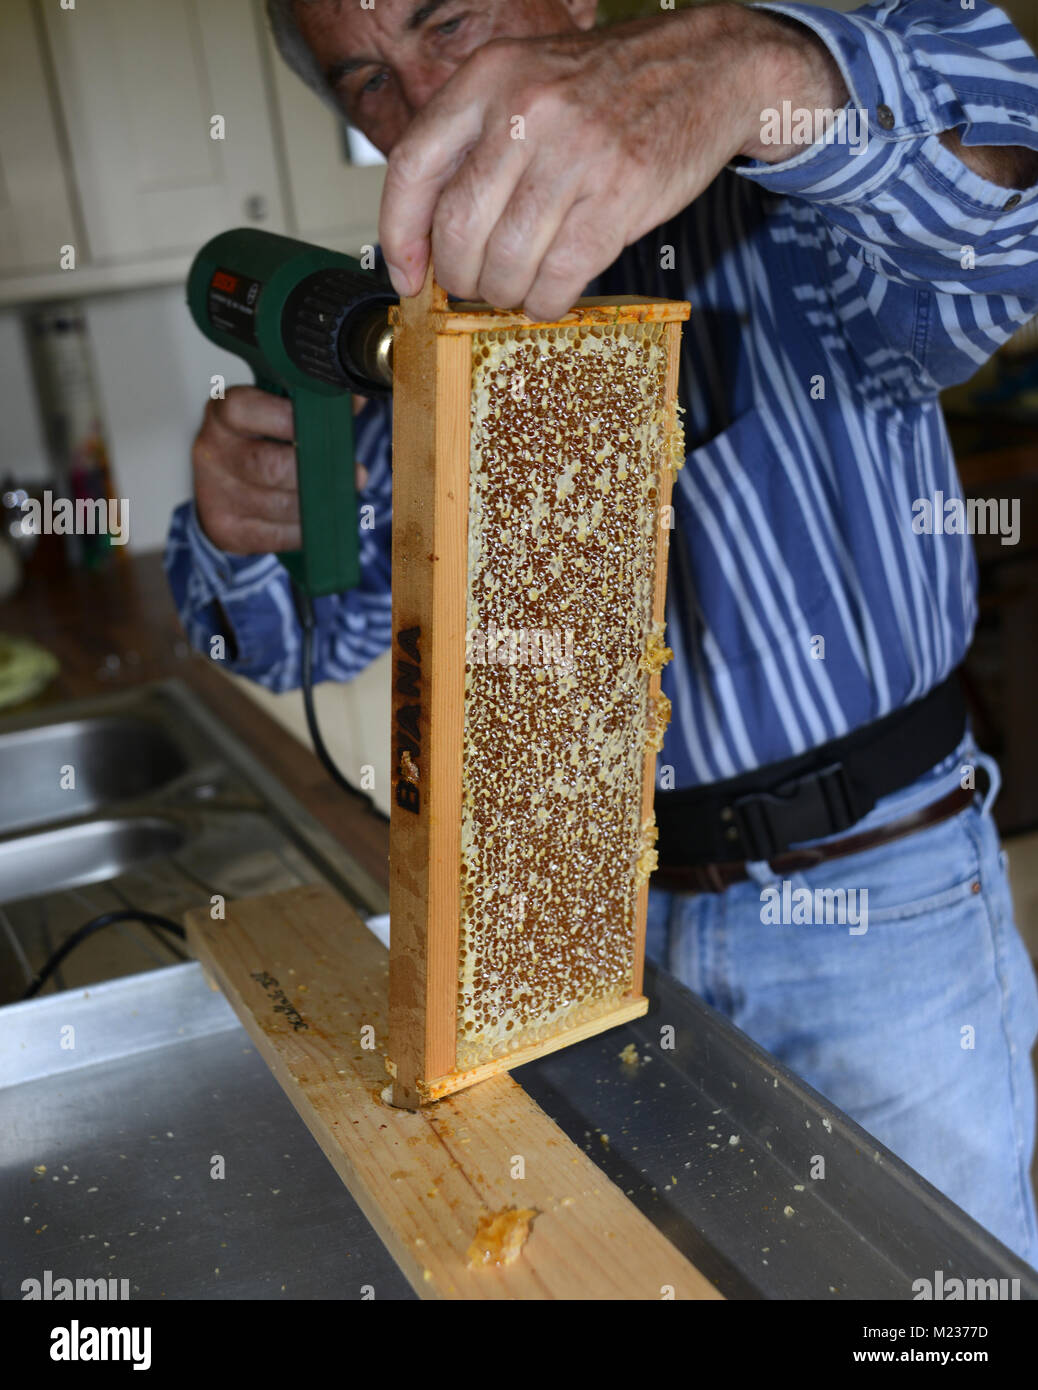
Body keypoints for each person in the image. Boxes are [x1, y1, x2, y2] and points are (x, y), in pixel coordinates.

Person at [166, 0, 1038, 1267]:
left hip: (877, 899)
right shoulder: (421, 322)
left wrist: (749, 72)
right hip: (574, 933)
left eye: (448, 20)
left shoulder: (800, 207)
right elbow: (300, 644)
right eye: (367, 80)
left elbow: (1006, 214)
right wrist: (243, 531)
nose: (420, 98)